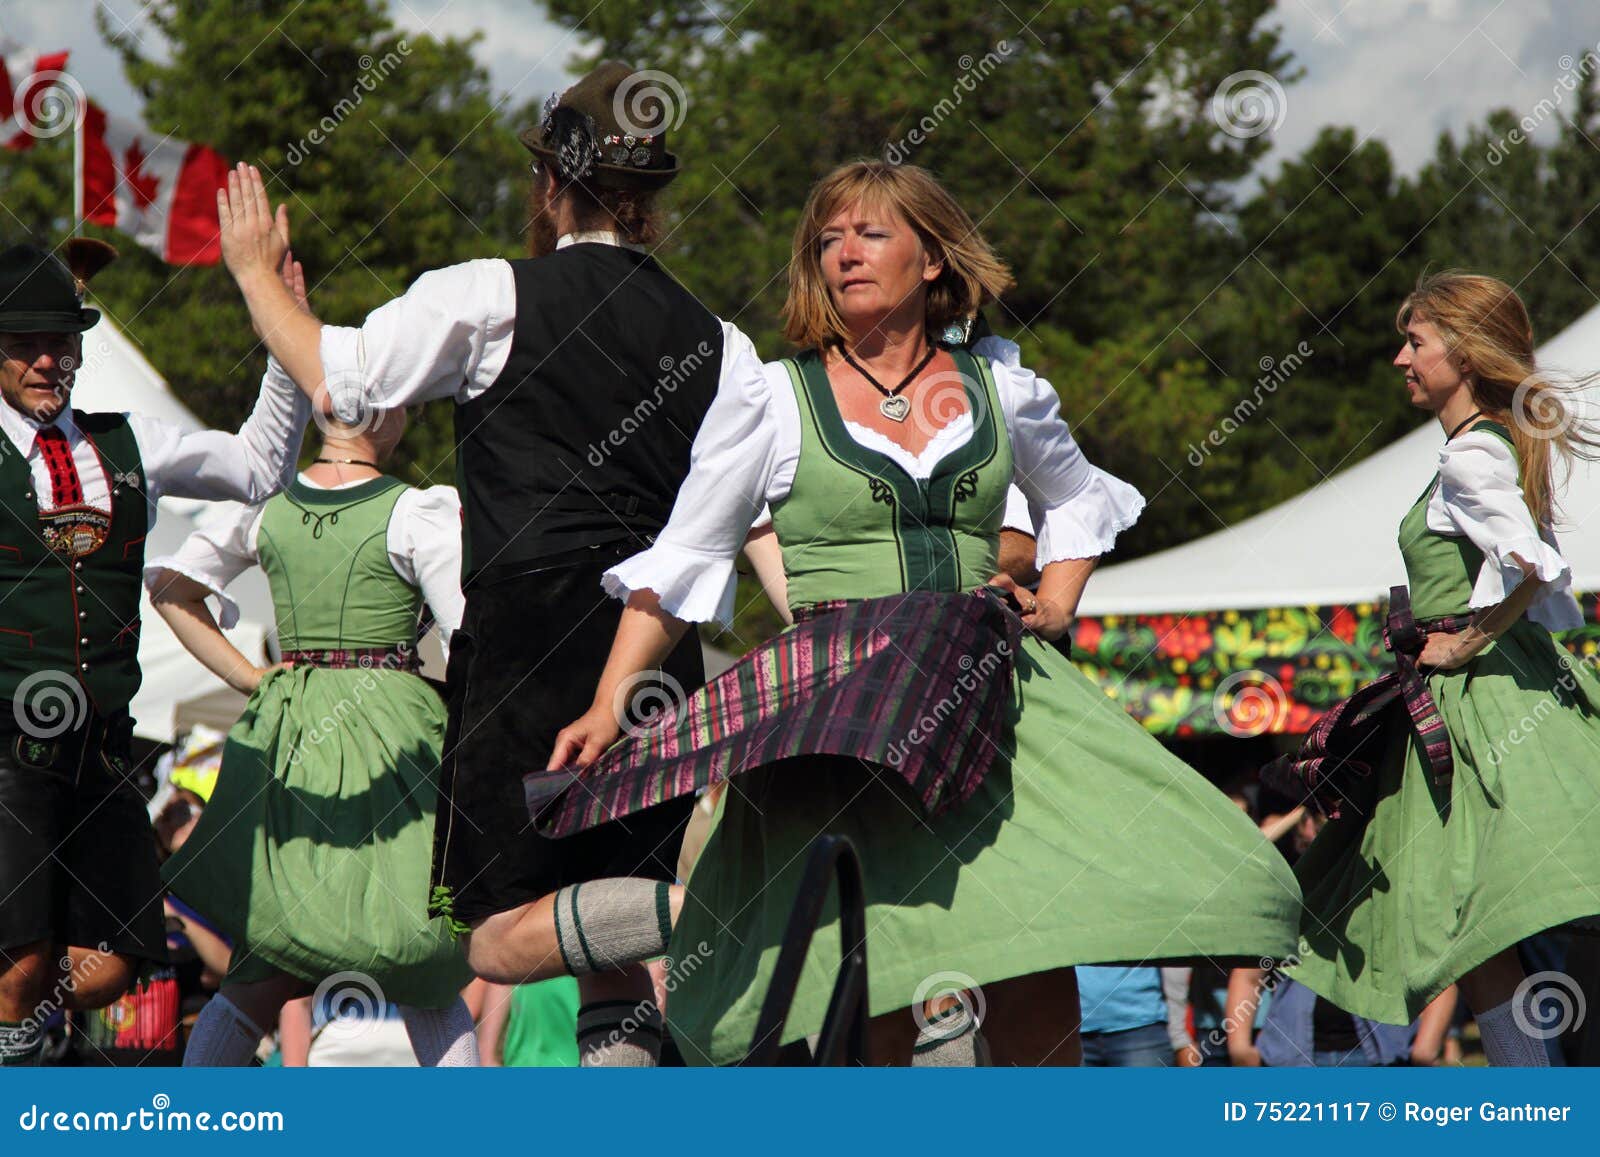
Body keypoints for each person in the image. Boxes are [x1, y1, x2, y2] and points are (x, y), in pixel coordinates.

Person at [545, 160, 1302, 1065]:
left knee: (1035, 944)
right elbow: (689, 558)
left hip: (993, 691)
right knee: (877, 969)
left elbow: (1079, 500)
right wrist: (607, 702)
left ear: (934, 259)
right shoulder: (773, 398)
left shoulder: (1001, 388)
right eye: (829, 238)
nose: (845, 254)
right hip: (844, 712)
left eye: (871, 234)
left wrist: (1057, 601)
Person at [212, 62, 771, 1065]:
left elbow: (341, 378)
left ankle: (711, 910)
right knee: (607, 960)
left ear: (552, 183)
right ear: (650, 199)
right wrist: (619, 689)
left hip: (527, 630)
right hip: (651, 655)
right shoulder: (724, 346)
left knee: (490, 932)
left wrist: (255, 272)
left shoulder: (488, 293)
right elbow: (696, 551)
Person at [1268, 271, 1600, 1066]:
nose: (1400, 358)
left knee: (1469, 923)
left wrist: (1463, 639)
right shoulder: (1491, 443)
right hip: (1505, 693)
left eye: (1415, 342)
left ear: (1465, 349)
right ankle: (1554, 1093)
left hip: (1484, 703)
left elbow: (1534, 566)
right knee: (1499, 920)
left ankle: (1539, 1102)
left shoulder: (1469, 456)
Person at [0, 238, 308, 1067]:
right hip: (7, 750)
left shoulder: (131, 444)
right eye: (23, 342)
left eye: (58, 342)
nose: (44, 359)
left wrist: (286, 337)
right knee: (21, 964)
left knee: (108, 967)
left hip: (102, 750)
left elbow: (257, 467)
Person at [145, 327, 478, 1066]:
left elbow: (170, 585)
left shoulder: (268, 505)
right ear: (388, 413)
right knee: (424, 964)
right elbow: (471, 637)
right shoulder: (418, 511)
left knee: (261, 967)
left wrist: (255, 679)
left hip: (289, 738)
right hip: (394, 743)